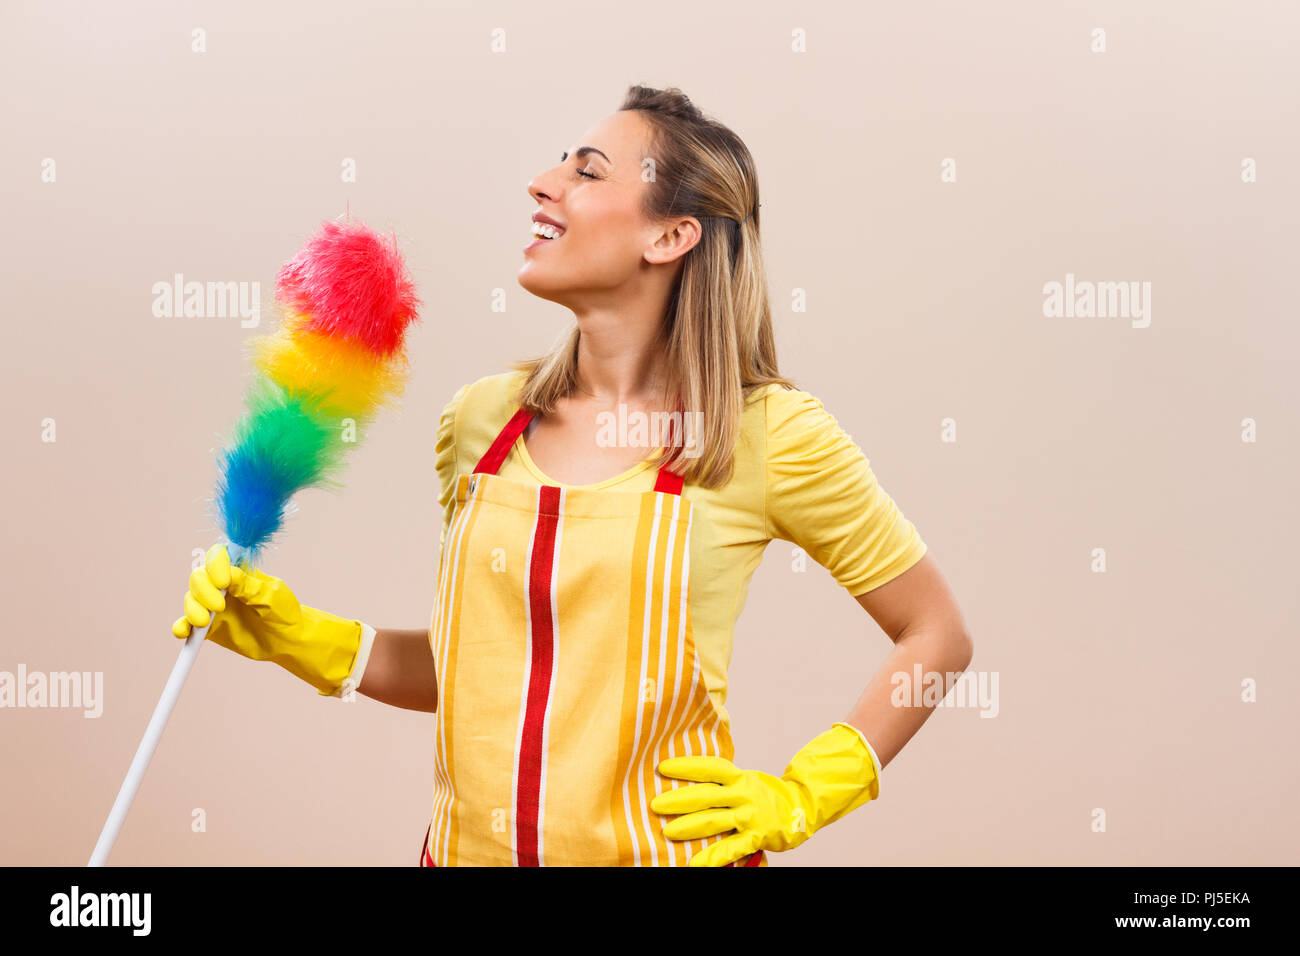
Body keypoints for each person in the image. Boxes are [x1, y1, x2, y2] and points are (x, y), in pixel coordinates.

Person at [173, 85, 974, 867]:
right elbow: (483, 673)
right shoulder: (481, 424)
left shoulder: (765, 437)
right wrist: (309, 641)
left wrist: (806, 792)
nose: (543, 182)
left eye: (588, 172)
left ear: (671, 238)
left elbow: (937, 635)